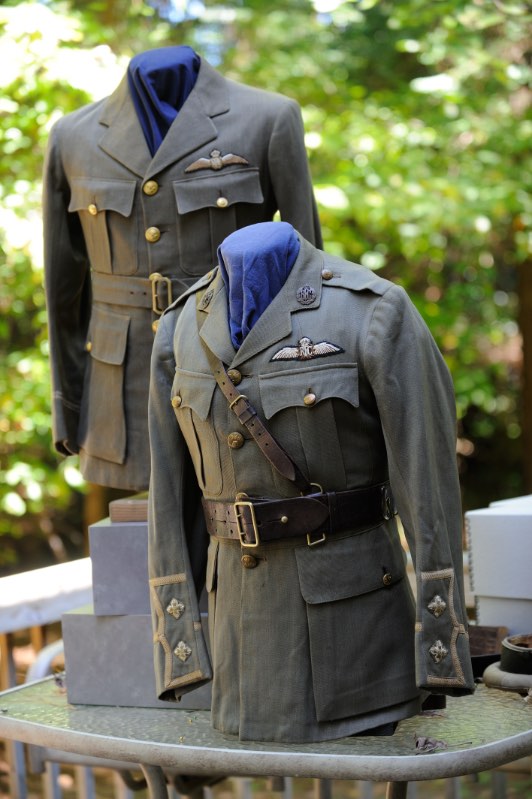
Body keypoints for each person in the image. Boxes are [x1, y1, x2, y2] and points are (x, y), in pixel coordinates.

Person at [148, 221, 474, 743]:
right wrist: (179, 646)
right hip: (238, 650)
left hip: (356, 647)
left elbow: (427, 486)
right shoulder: (180, 326)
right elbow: (169, 496)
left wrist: (441, 648)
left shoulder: (371, 310)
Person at [43, 47, 321, 490]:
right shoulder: (73, 137)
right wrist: (69, 408)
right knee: (136, 526)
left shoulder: (268, 118)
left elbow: (307, 279)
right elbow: (62, 295)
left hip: (233, 377)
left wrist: (308, 398)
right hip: (121, 396)